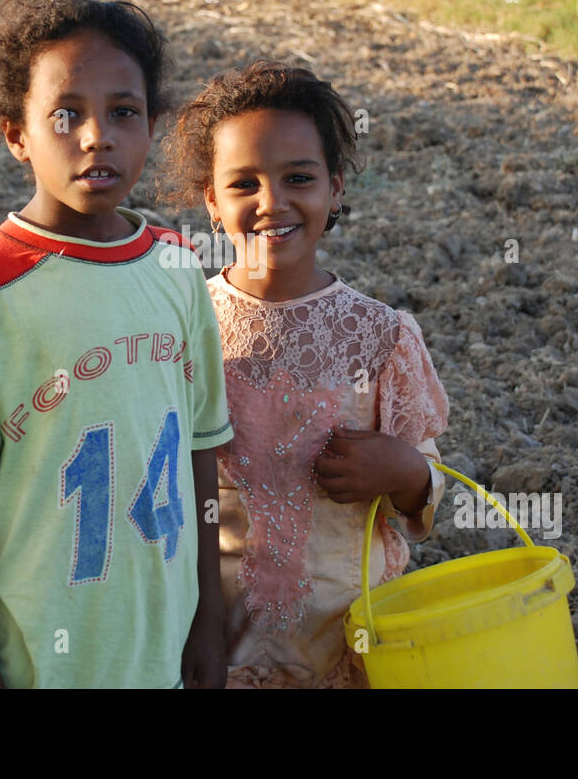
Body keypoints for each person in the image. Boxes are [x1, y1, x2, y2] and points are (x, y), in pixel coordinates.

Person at [0, 0, 233, 688]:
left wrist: (207, 623)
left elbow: (198, 461)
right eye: (66, 115)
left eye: (123, 112)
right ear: (16, 134)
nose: (97, 135)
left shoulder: (176, 269)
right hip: (40, 663)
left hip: (158, 654)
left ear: (152, 127)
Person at [158, 59, 450, 688]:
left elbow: (425, 484)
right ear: (211, 198)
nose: (273, 203)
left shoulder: (381, 337)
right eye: (244, 184)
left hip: (348, 633)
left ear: (335, 188)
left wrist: (404, 470)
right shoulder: (185, 327)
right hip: (215, 635)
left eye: (299, 177)